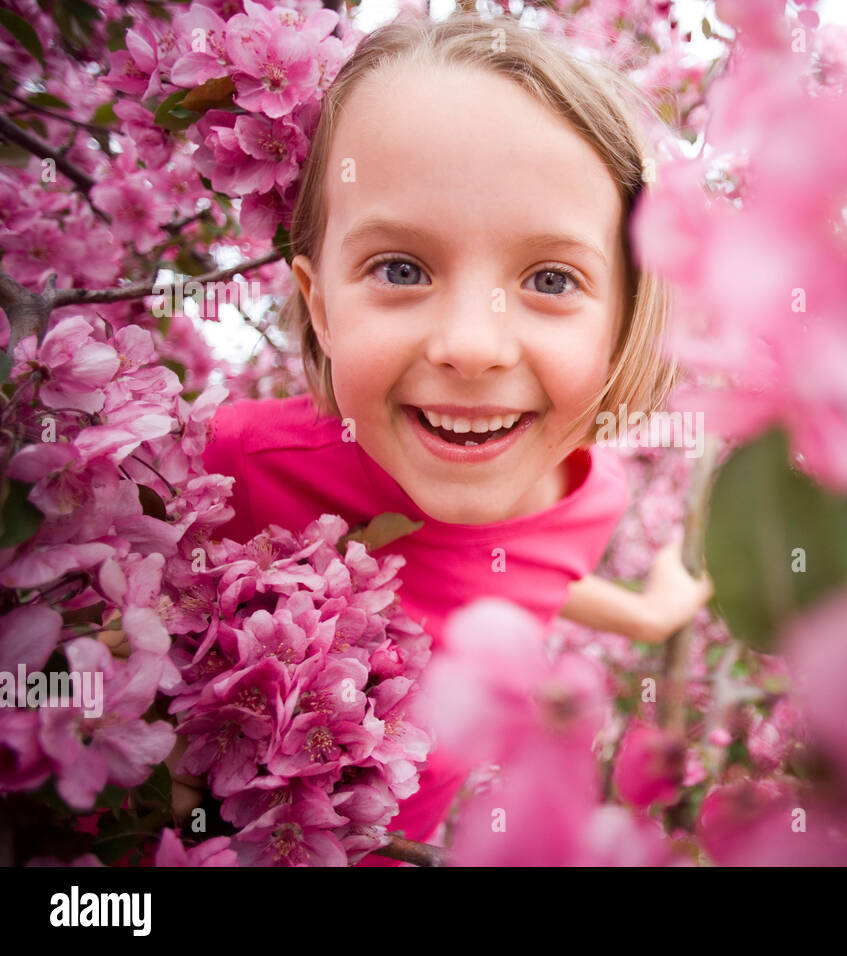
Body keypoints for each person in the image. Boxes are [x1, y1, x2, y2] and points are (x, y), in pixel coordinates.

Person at [198, 12, 713, 865]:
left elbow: (513, 573)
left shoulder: (593, 492)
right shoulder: (227, 470)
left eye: (551, 279)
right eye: (400, 269)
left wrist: (652, 613)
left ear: (624, 320)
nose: (472, 345)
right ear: (321, 304)